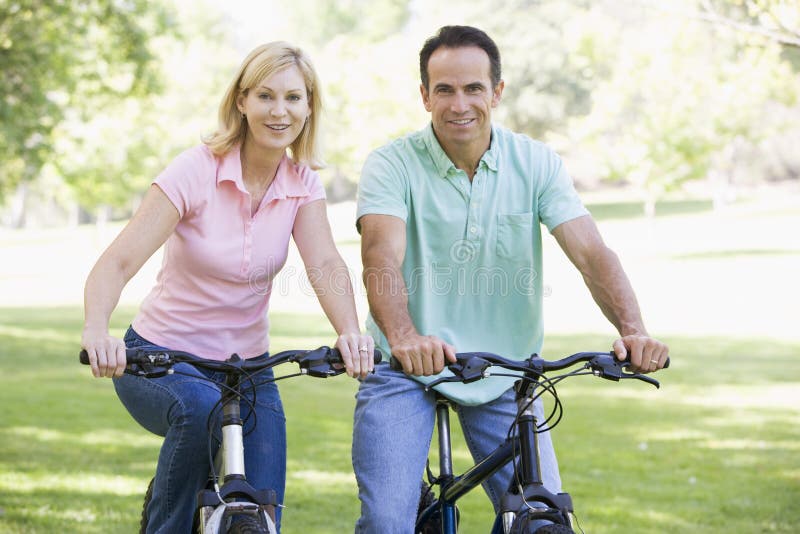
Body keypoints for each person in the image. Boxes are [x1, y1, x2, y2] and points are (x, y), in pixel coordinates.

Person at [351, 25, 669, 532]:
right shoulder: (392, 164)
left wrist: (633, 328)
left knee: (542, 519)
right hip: (405, 366)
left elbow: (590, 252)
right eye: (445, 90)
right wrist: (405, 336)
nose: (460, 104)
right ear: (424, 96)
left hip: (504, 372)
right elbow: (380, 256)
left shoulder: (536, 162)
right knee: (388, 522)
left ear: (496, 92)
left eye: (474, 88)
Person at [81, 41, 374, 533]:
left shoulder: (302, 181)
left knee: (262, 511)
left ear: (308, 107)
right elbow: (118, 260)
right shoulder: (197, 169)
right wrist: (96, 330)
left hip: (246, 368)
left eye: (293, 98)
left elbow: (324, 261)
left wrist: (349, 330)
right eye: (265, 96)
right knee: (199, 411)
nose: (279, 111)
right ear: (241, 101)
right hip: (160, 358)